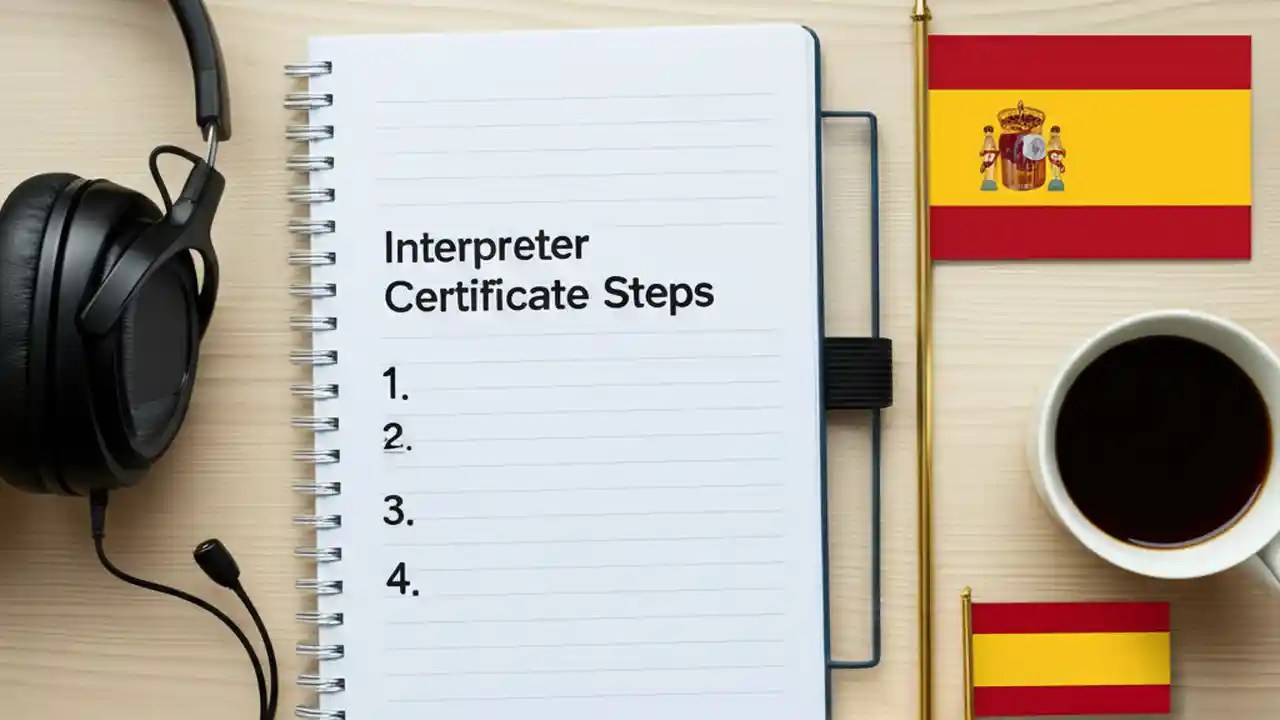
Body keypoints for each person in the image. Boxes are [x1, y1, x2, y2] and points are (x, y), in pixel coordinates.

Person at [1047, 125, 1067, 191]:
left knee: (1057, 168)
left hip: (1058, 156)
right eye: (1053, 132)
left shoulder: (1059, 141)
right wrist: (1052, 154)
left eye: (1056, 132)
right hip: (1053, 156)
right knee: (1053, 167)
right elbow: (1049, 149)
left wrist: (1061, 153)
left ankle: (1057, 177)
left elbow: (1061, 148)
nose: (1055, 134)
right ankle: (1054, 177)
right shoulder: (1050, 141)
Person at [979, 125, 998, 191]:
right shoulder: (988, 138)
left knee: (989, 171)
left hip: (989, 157)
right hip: (988, 156)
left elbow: (989, 149)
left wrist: (987, 160)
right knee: (988, 172)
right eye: (986, 131)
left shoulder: (989, 138)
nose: (987, 133)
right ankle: (989, 183)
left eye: (988, 131)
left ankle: (989, 185)